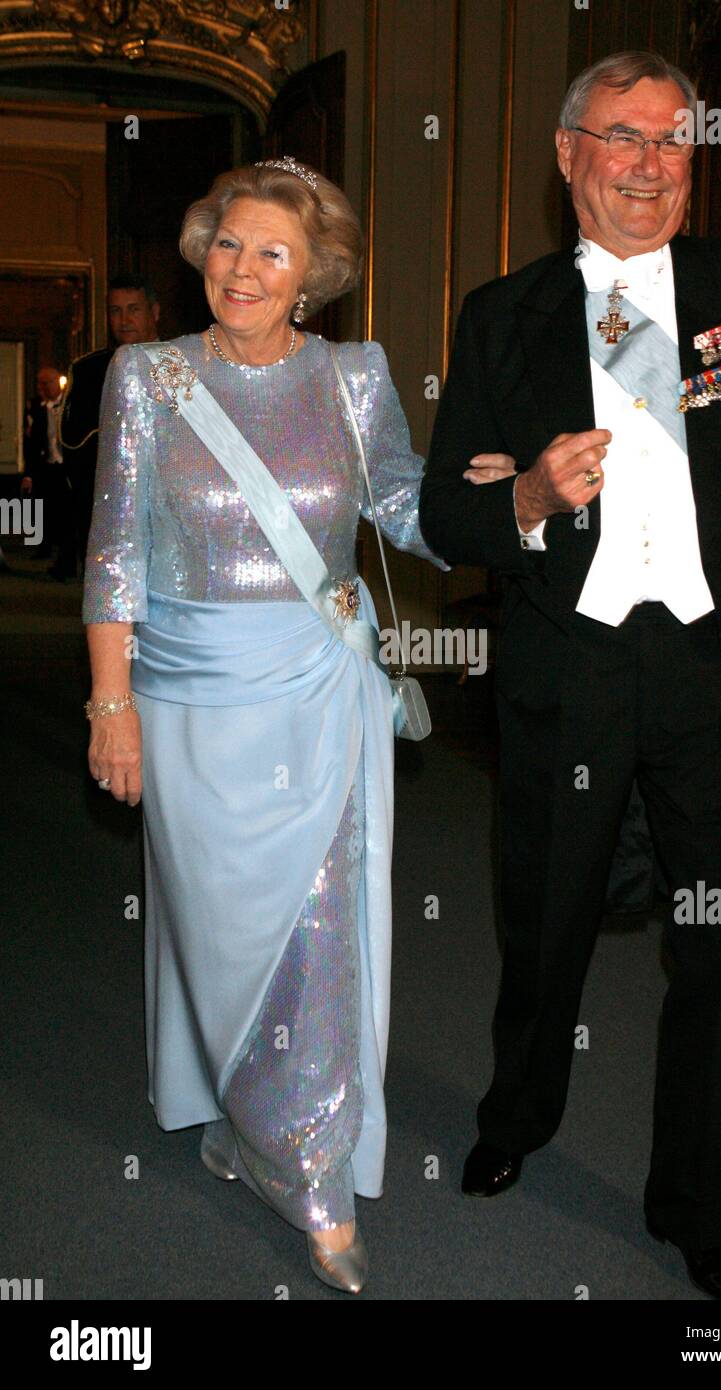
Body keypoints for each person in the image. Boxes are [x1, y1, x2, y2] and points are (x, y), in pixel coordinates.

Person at [419, 51, 721, 1301]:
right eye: (621, 137)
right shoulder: (504, 315)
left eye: (670, 140)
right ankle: (516, 1117)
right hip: (571, 669)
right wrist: (538, 499)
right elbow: (451, 511)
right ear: (567, 156)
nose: (647, 164)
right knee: (542, 925)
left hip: (720, 678)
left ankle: (692, 1199)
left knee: (718, 952)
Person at [82, 155, 513, 1295]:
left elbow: (408, 511)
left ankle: (314, 1175)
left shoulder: (353, 375)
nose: (241, 268)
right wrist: (109, 704)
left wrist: (511, 499)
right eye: (227, 242)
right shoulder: (147, 377)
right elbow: (115, 553)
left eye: (270, 251)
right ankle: (240, 1108)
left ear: (310, 276)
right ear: (200, 249)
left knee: (318, 932)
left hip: (318, 692)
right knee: (222, 939)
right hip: (185, 701)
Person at [60, 276, 161, 575]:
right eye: (115, 311)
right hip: (105, 509)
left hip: (166, 509)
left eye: (134, 309)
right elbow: (73, 445)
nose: (124, 320)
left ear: (154, 312)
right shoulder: (88, 369)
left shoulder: (180, 363)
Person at [22, 366, 69, 572]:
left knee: (66, 511)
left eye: (47, 383)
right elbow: (31, 444)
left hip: (66, 466)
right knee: (44, 508)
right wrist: (29, 474)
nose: (43, 387)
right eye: (40, 383)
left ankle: (65, 555)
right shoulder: (36, 409)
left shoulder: (68, 404)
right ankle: (45, 546)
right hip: (46, 465)